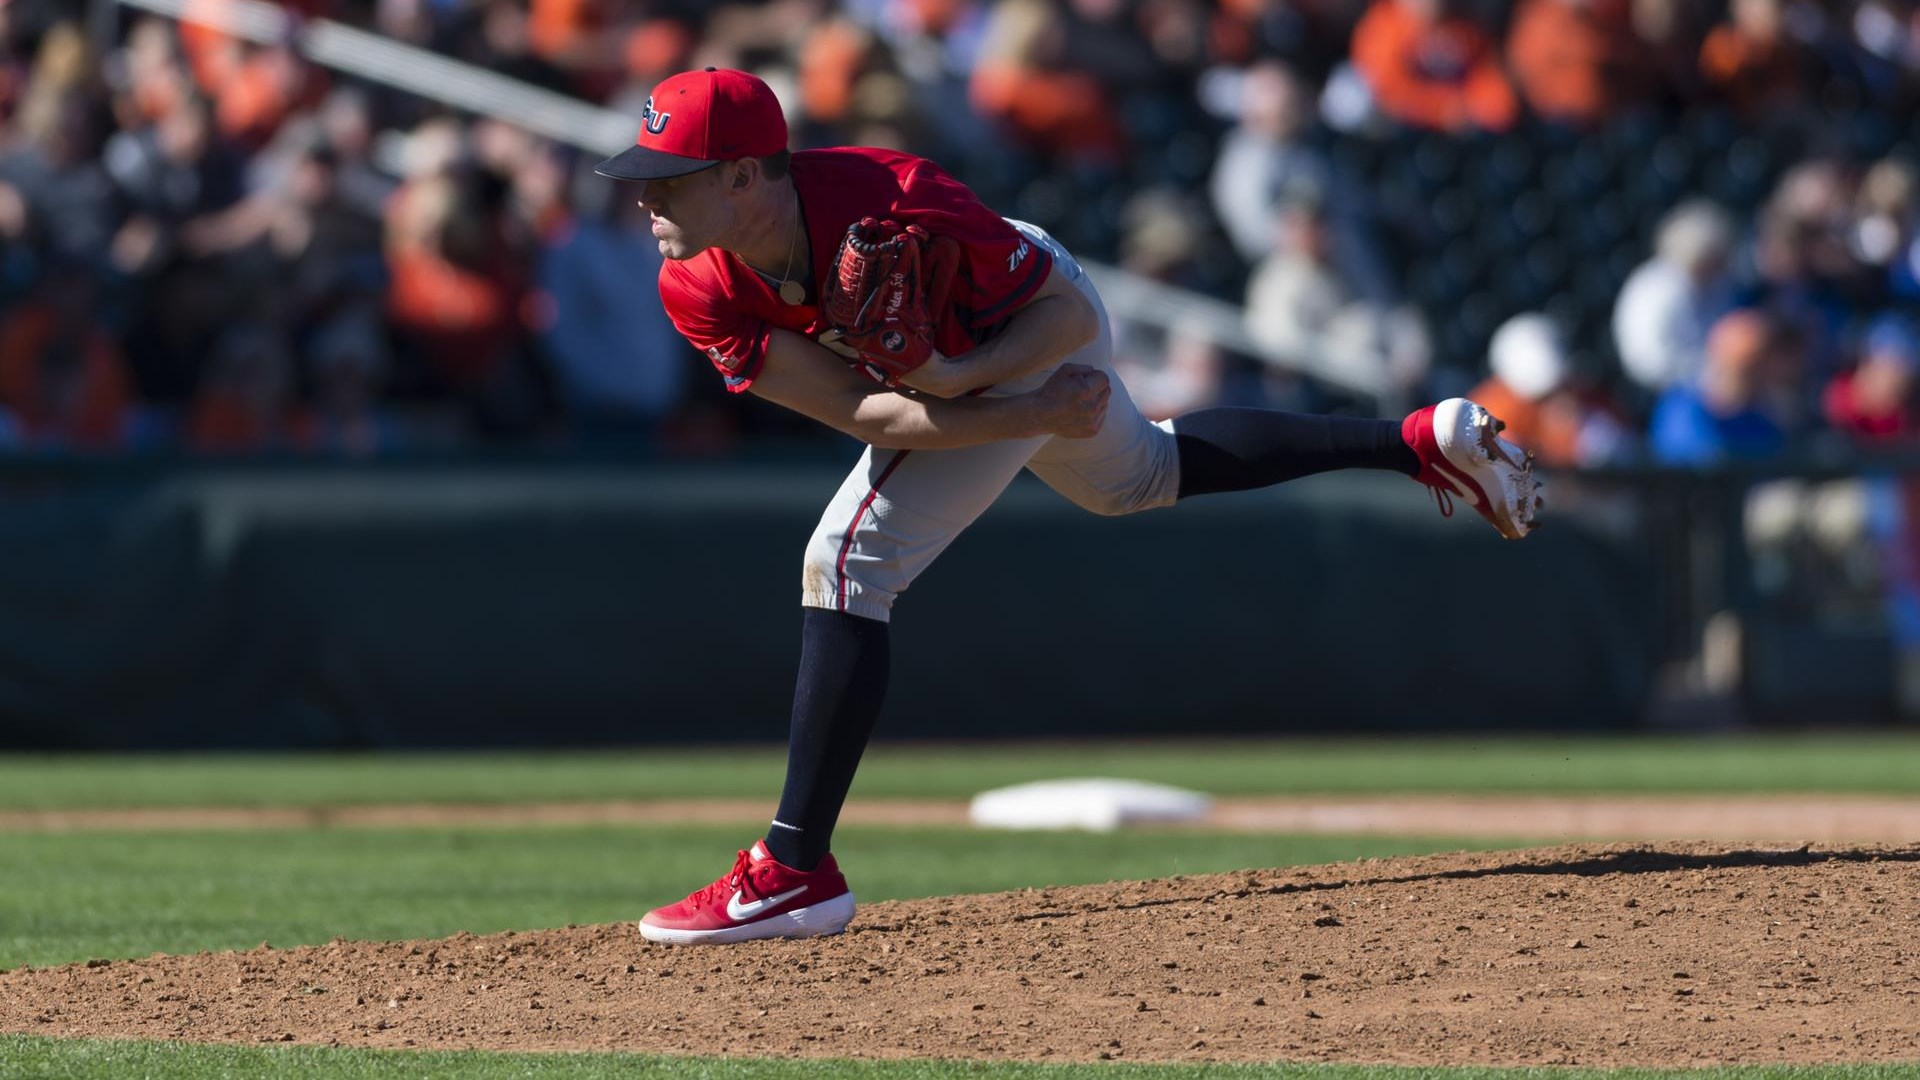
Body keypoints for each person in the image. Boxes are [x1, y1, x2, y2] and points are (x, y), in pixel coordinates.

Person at [596, 68, 1542, 946]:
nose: (645, 196)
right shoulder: (694, 280)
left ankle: (794, 866)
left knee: (846, 562)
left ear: (745, 176)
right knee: (1142, 476)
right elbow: (856, 410)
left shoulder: (899, 198)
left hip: (1029, 322)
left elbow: (1074, 320)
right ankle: (1415, 441)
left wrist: (979, 379)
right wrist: (1013, 412)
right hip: (966, 379)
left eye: (668, 177)